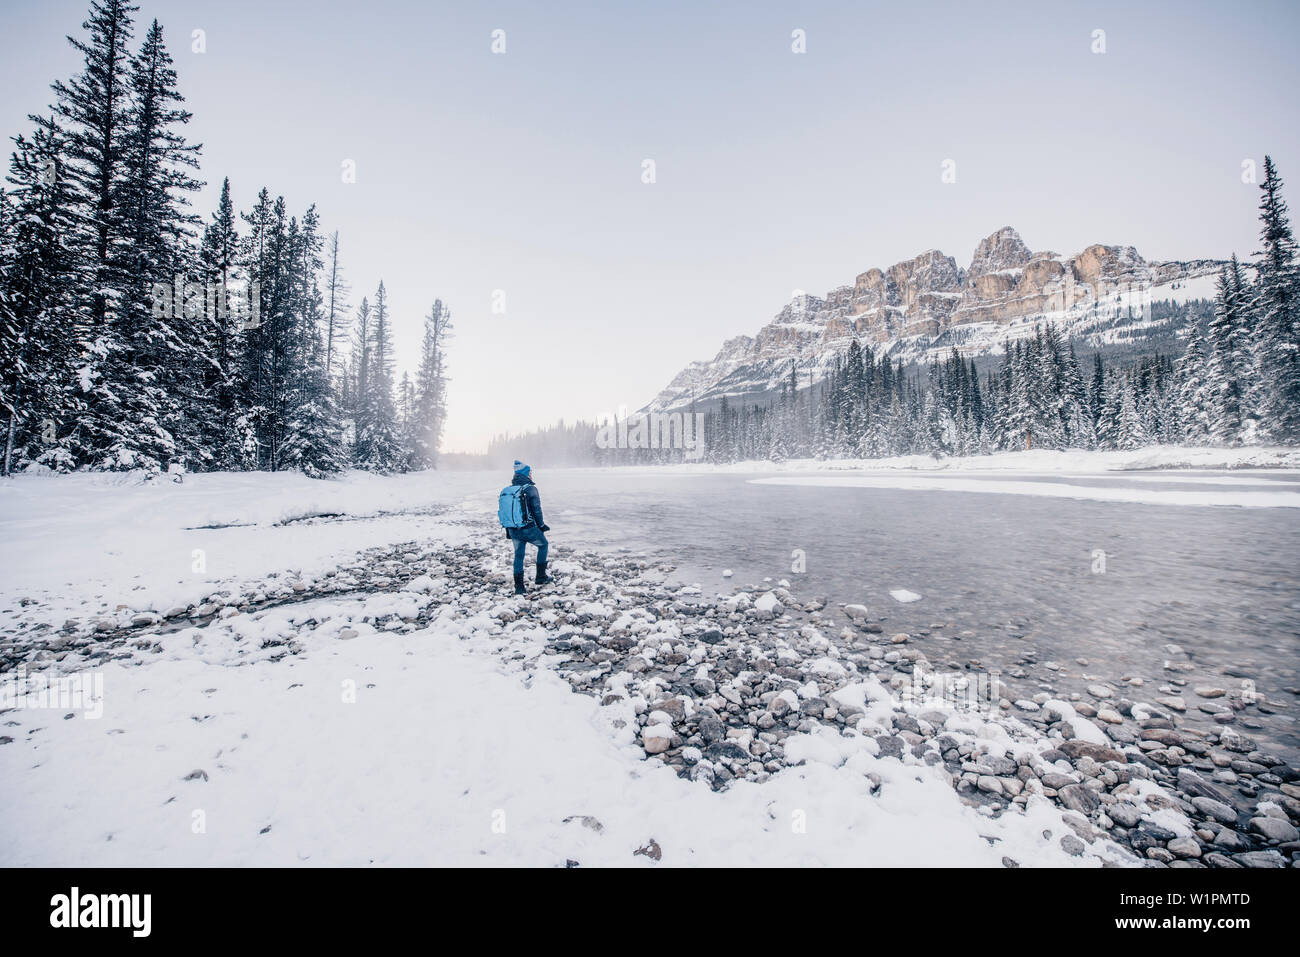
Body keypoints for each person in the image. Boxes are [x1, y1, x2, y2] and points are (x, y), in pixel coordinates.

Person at [501, 460, 552, 594]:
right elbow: (536, 510)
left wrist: (509, 530)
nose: (531, 474)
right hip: (527, 528)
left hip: (512, 529)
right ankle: (540, 577)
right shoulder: (530, 489)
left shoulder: (508, 490)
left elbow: (506, 512)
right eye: (530, 472)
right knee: (543, 545)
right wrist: (541, 526)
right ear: (526, 473)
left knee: (518, 555)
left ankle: (519, 587)